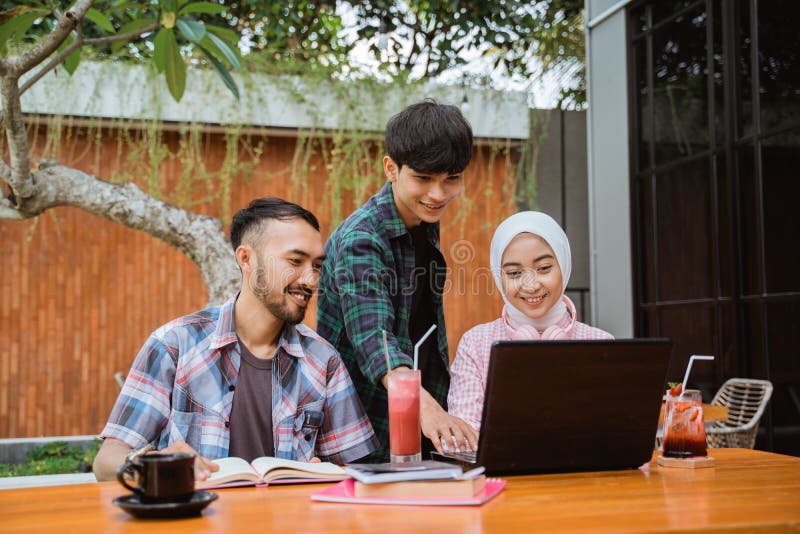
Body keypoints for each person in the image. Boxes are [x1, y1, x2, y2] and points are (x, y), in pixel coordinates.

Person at [93, 198, 378, 481]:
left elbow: (353, 471)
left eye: (316, 265)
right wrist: (158, 464)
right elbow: (107, 462)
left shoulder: (323, 359)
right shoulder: (174, 344)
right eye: (295, 261)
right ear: (246, 259)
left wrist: (325, 472)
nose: (311, 280)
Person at [316, 100, 479, 461]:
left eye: (451, 179)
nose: (438, 194)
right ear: (391, 168)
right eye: (423, 178)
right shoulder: (362, 238)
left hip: (414, 423)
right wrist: (431, 411)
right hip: (361, 428)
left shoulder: (422, 218)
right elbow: (376, 339)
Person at [448, 211, 614, 431]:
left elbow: (612, 429)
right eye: (515, 273)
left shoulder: (601, 344)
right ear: (499, 277)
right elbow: (462, 439)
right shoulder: (475, 344)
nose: (531, 285)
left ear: (564, 265)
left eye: (544, 268)